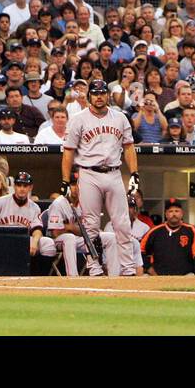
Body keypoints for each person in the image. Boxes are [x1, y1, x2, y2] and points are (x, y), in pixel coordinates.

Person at [61, 78, 139, 277]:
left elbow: (129, 147)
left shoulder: (120, 118)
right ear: (89, 96)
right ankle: (94, 268)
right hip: (89, 173)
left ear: (107, 95)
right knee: (91, 225)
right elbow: (68, 152)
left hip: (114, 172)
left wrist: (134, 173)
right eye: (95, 94)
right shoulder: (78, 119)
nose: (99, 97)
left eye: (102, 93)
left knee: (122, 223)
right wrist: (65, 180)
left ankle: (128, 269)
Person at [38, 170, 115, 276]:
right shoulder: (59, 203)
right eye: (73, 184)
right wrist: (73, 230)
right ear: (68, 187)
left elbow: (89, 230)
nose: (76, 187)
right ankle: (73, 277)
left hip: (80, 239)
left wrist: (71, 227)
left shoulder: (87, 202)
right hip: (58, 241)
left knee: (110, 237)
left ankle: (114, 275)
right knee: (70, 238)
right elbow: (55, 233)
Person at [0, 170, 45, 262]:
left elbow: (37, 229)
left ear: (30, 187)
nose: (22, 189)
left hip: (22, 240)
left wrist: (35, 241)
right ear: (14, 186)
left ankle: (41, 274)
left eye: (25, 186)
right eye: (19, 185)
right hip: (1, 240)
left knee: (47, 243)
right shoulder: (0, 202)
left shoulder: (35, 207)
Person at [140, 197, 195, 276]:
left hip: (186, 276)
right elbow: (140, 250)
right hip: (158, 276)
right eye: (170, 211)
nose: (174, 214)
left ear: (182, 213)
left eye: (177, 211)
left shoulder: (191, 230)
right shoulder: (155, 231)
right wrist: (149, 268)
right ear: (166, 214)